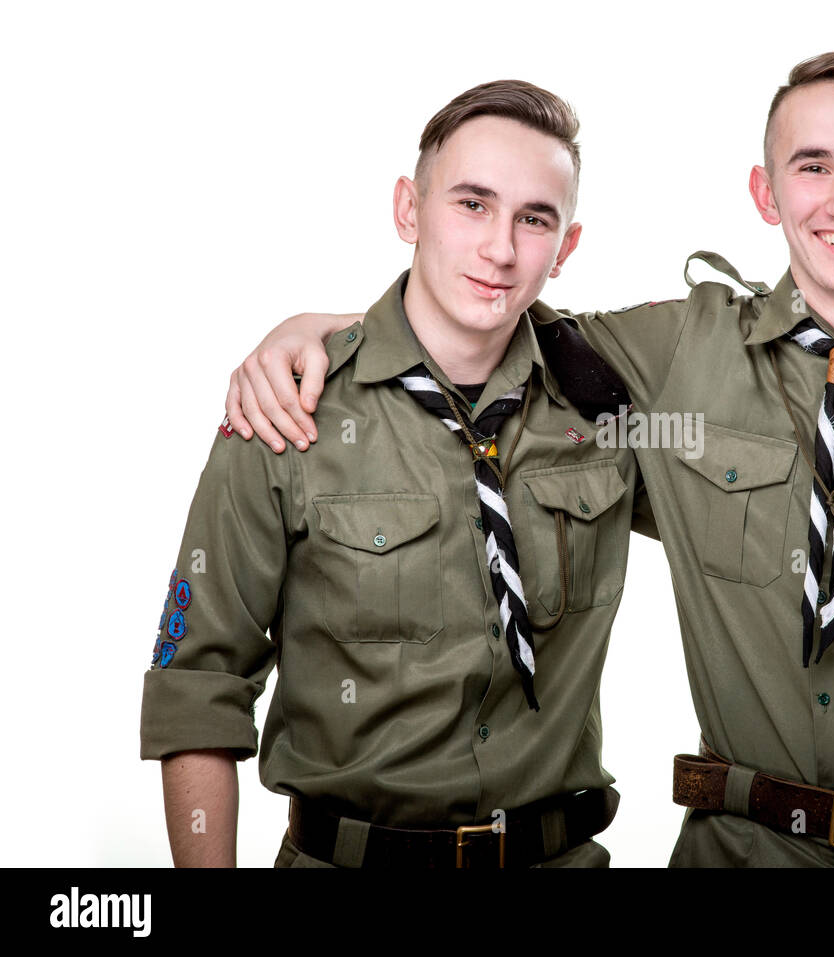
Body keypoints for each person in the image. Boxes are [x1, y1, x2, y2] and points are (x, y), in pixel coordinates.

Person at [229, 55, 834, 869]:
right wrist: (316, 331)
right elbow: (484, 313)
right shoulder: (669, 355)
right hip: (741, 849)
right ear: (766, 191)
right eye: (813, 166)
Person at [141, 80, 648, 868]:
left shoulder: (610, 406)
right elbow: (199, 688)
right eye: (472, 204)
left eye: (534, 218)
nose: (501, 248)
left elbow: (774, 390)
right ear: (408, 209)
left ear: (567, 245)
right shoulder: (286, 410)